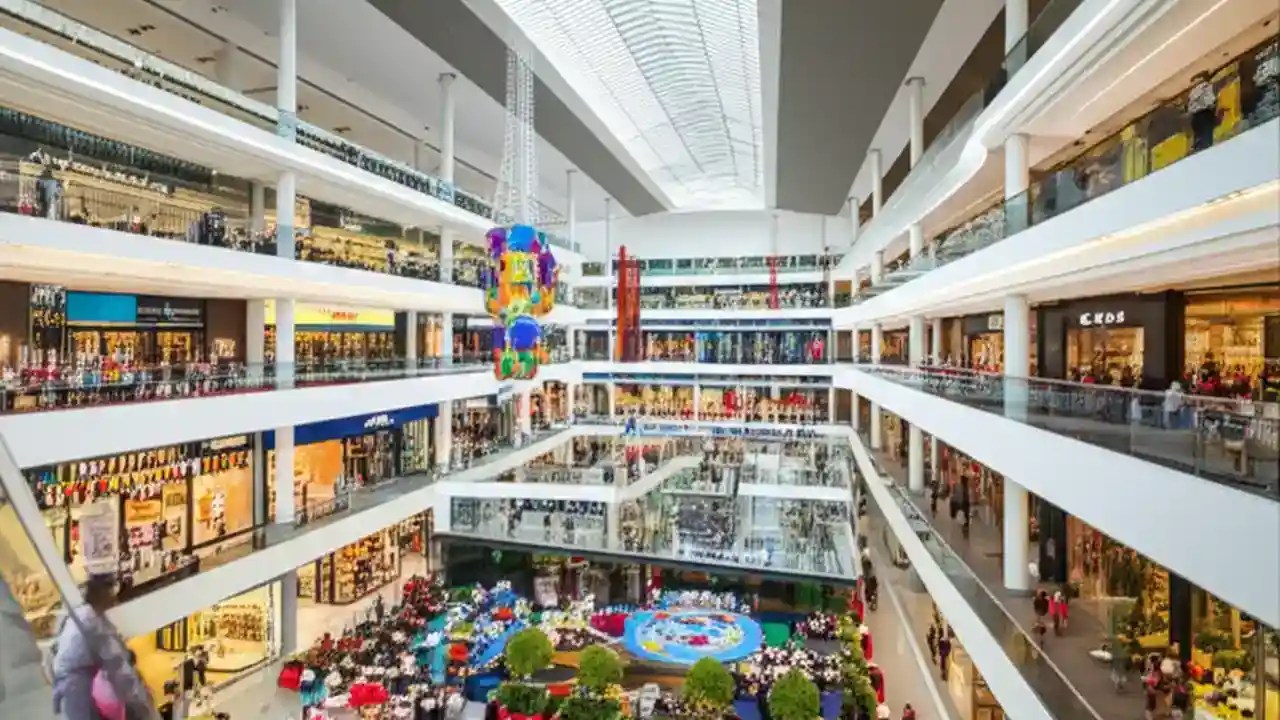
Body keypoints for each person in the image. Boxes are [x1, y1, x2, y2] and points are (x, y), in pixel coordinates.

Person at [52, 574, 156, 720]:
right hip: (76, 693)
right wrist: (147, 712)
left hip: (65, 689)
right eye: (110, 594)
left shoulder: (80, 616)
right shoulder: (92, 624)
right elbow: (119, 670)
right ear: (100, 595)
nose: (114, 601)